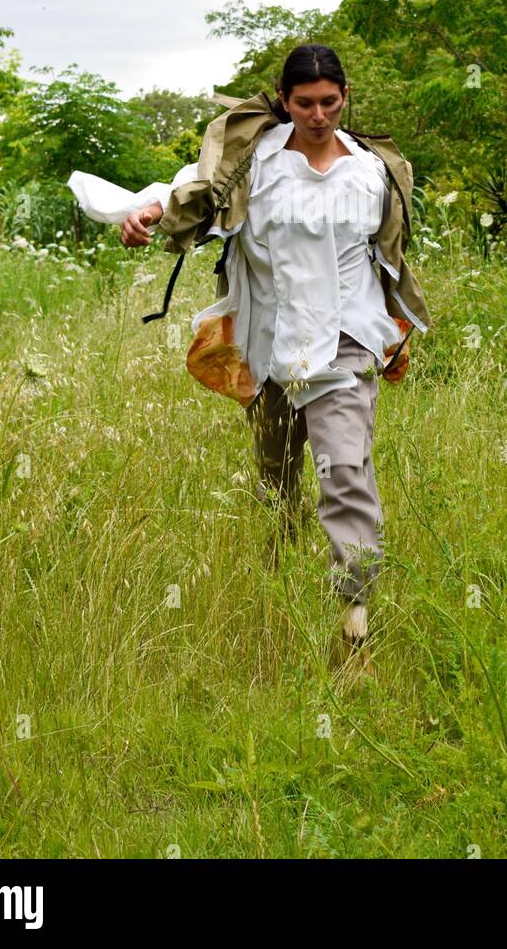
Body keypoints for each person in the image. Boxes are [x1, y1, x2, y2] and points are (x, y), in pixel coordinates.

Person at [119, 45, 431, 661]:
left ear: (345, 97)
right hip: (268, 343)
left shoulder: (371, 170)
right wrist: (150, 210)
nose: (319, 114)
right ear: (284, 102)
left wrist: (397, 325)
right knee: (276, 483)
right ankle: (276, 592)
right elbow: (193, 187)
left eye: (330, 101)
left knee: (345, 471)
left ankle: (354, 618)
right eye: (305, 102)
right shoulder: (253, 162)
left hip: (346, 340)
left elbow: (389, 255)